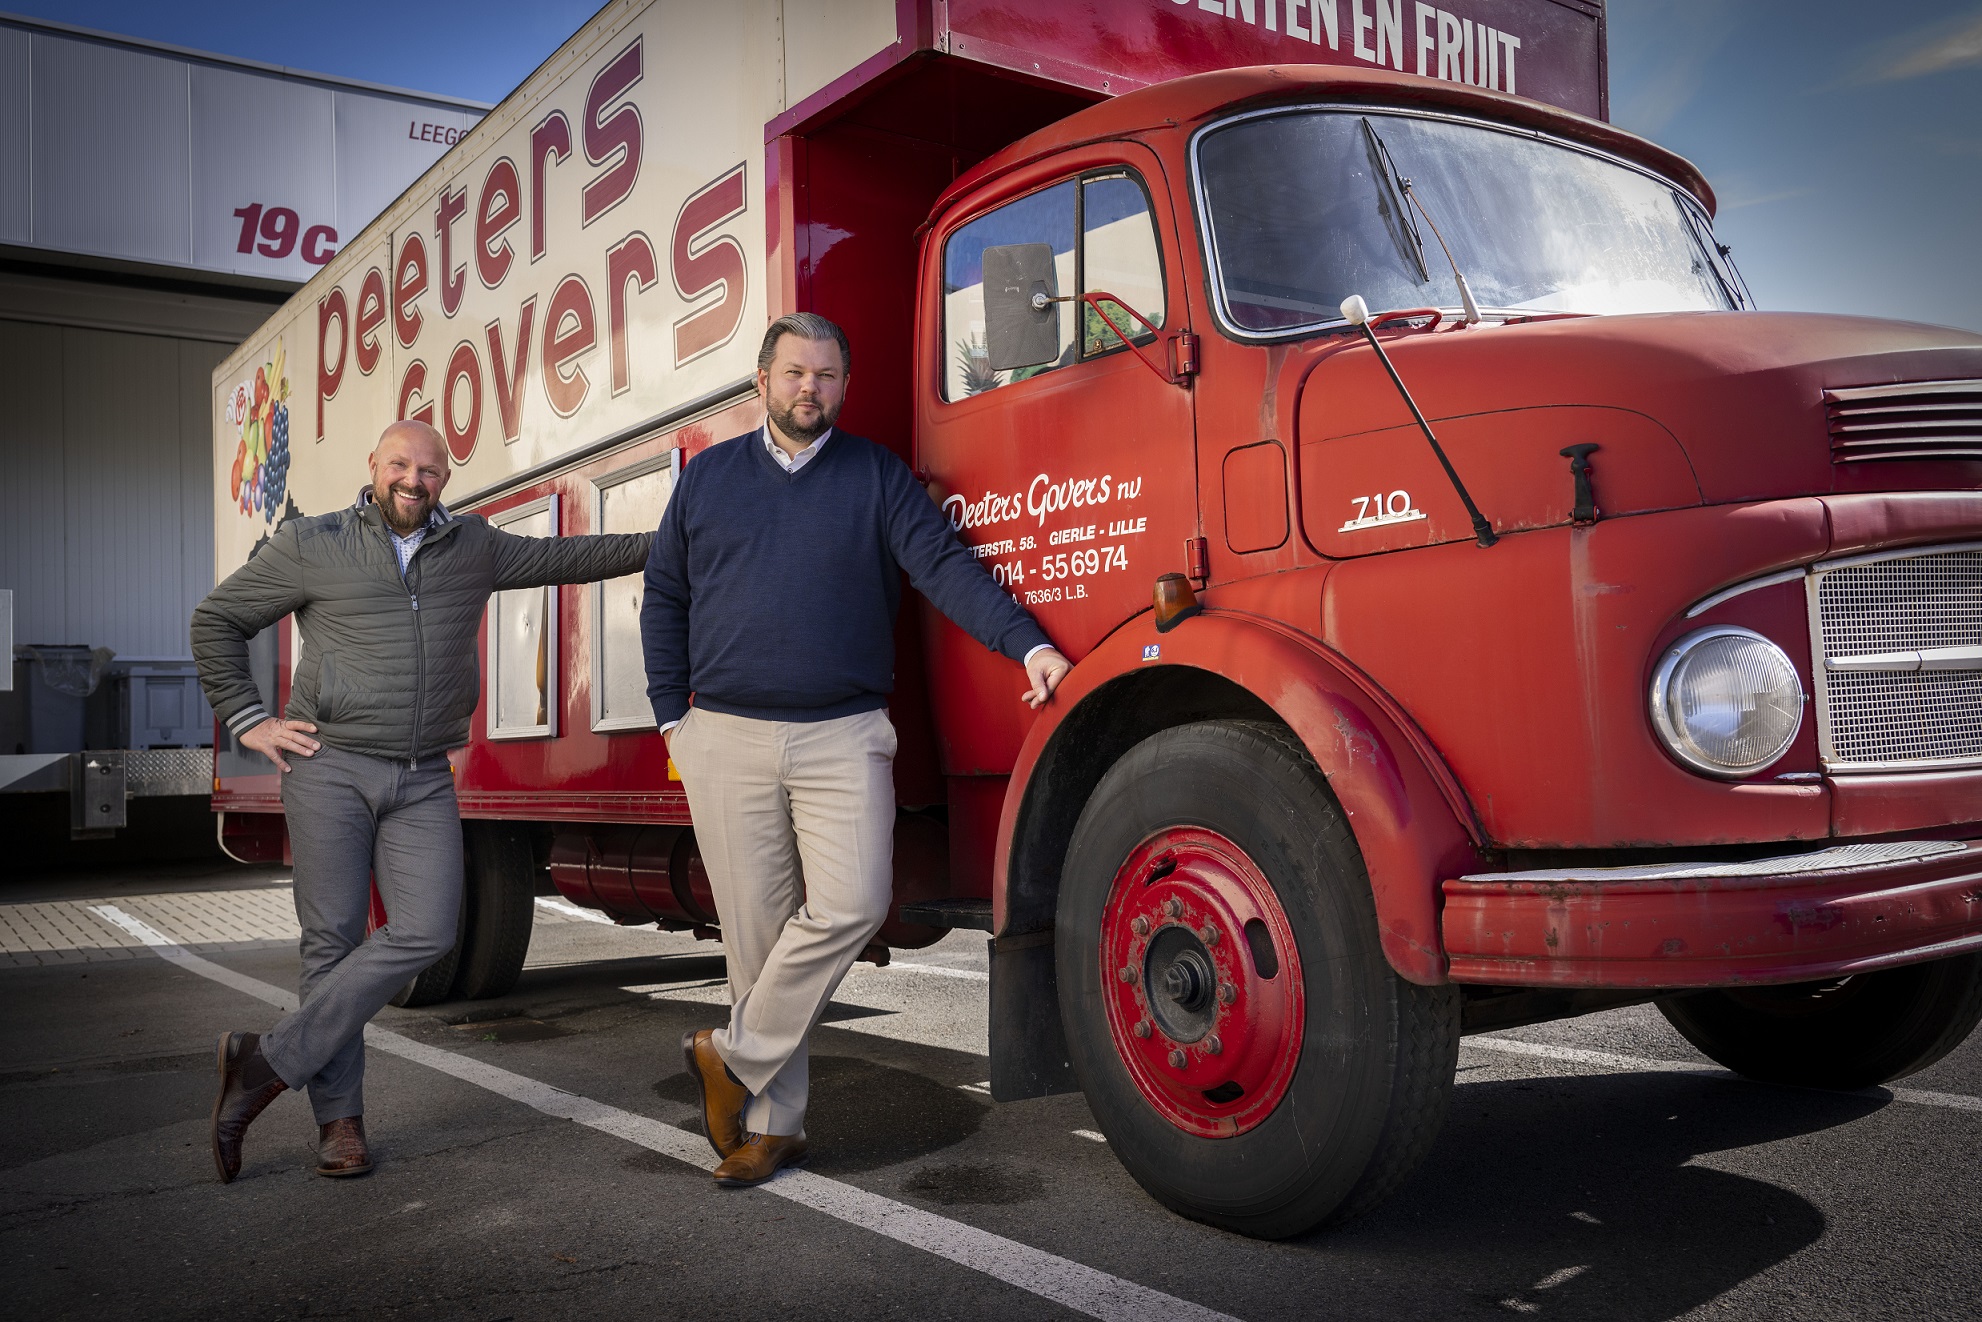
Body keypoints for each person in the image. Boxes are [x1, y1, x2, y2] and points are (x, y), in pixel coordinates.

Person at [642, 312, 1071, 1187]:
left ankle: (729, 1055)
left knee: (854, 903)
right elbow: (665, 597)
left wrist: (1026, 642)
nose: (812, 389)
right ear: (761, 380)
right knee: (755, 945)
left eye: (828, 375)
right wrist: (669, 720)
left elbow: (945, 566)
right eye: (796, 372)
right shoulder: (707, 480)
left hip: (843, 734)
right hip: (723, 734)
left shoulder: (875, 476)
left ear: (844, 384)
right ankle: (774, 1128)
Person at [191, 420, 653, 1183]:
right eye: (400, 464)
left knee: (430, 928)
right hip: (329, 764)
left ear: (447, 475)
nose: (415, 479)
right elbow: (218, 620)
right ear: (373, 466)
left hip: (422, 775)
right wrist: (250, 720)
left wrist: (675, 539)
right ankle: (340, 1124)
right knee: (332, 943)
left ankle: (265, 1061)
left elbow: (572, 557)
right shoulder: (314, 542)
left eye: (430, 468)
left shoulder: (473, 545)